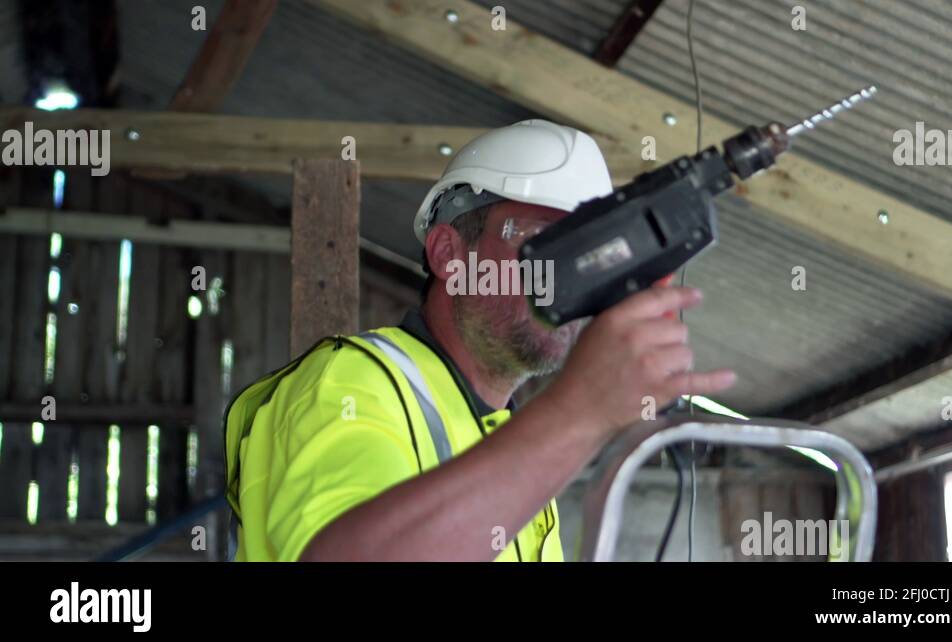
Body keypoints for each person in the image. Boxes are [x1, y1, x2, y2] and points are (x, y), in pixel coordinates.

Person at [224, 119, 736, 561]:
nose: (565, 278)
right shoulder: (349, 387)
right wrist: (580, 412)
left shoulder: (510, 442)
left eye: (585, 254)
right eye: (542, 244)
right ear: (449, 253)